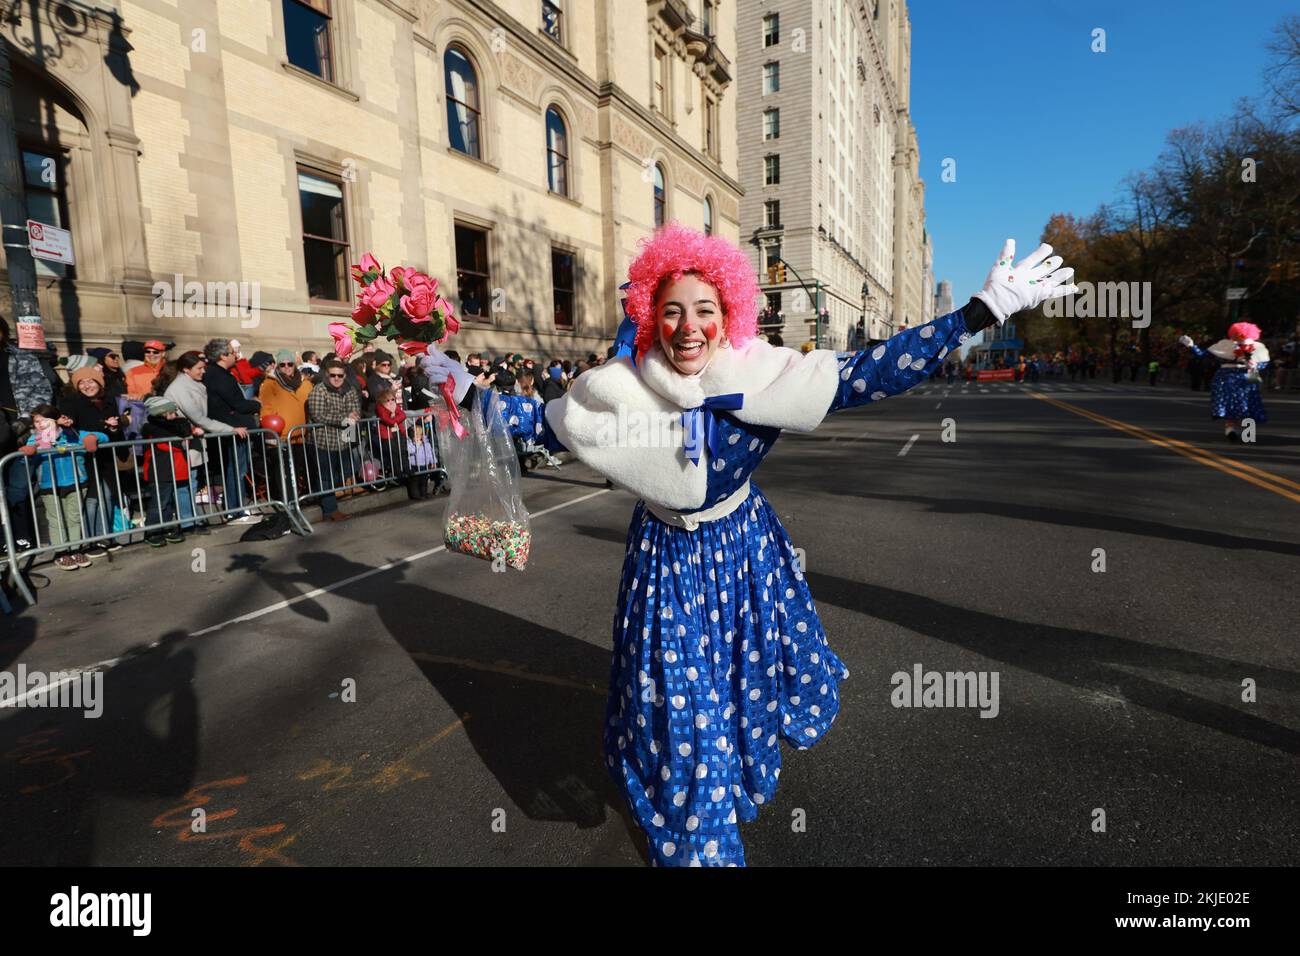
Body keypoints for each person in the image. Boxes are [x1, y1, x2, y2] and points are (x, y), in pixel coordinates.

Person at [420, 225, 1078, 867]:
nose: (688, 327)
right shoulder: (620, 387)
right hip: (664, 567)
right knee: (680, 721)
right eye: (671, 311)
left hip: (744, 554)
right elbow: (543, 424)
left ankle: (731, 782)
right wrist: (469, 390)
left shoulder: (761, 374)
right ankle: (697, 845)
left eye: (704, 309)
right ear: (651, 316)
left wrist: (975, 313)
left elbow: (869, 373)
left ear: (727, 312)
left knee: (741, 687)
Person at [20, 404, 108, 570]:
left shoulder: (72, 434)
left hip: (76, 482)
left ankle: (76, 549)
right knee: (56, 520)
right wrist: (29, 453)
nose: (40, 425)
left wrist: (92, 438)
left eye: (44, 420)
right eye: (36, 422)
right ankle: (61, 552)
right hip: (49, 485)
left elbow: (103, 436)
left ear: (56, 419)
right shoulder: (35, 439)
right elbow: (23, 459)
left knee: (74, 518)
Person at [58, 363, 125, 552]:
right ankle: (91, 540)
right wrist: (66, 422)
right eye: (82, 383)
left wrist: (114, 427)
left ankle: (105, 536)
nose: (87, 386)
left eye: (91, 381)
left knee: (108, 495)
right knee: (92, 498)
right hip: (84, 458)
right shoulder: (71, 401)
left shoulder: (109, 400)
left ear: (99, 382)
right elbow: (67, 424)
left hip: (106, 457)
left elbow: (117, 427)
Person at [1179, 323, 1270, 440]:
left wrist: (1256, 364)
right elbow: (1204, 355)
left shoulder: (1258, 347)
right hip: (1227, 376)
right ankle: (1230, 430)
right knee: (1230, 403)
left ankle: (1248, 433)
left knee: (1249, 403)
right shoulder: (1225, 345)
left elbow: (1264, 362)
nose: (1240, 339)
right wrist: (1191, 346)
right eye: (1238, 336)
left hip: (1248, 376)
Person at [202, 338, 261, 519]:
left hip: (230, 427)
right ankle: (235, 510)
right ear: (222, 356)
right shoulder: (219, 375)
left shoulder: (217, 374)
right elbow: (238, 404)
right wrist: (256, 404)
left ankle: (235, 507)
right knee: (237, 470)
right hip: (233, 428)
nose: (235, 354)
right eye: (231, 351)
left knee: (235, 469)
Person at [140, 395, 203, 545]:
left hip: (174, 468)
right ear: (164, 413)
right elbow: (171, 443)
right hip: (160, 470)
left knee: (168, 502)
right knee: (159, 503)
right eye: (173, 412)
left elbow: (182, 435)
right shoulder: (153, 428)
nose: (176, 415)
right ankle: (152, 531)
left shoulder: (177, 426)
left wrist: (190, 432)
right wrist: (188, 434)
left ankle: (167, 527)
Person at [305, 358, 361, 522]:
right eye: (333, 375)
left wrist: (353, 417)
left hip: (344, 439)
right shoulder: (318, 391)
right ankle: (330, 509)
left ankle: (318, 494)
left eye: (340, 375)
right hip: (323, 441)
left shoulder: (349, 389)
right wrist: (345, 418)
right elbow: (319, 416)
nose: (337, 378)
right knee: (325, 476)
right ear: (326, 375)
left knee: (344, 471)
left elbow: (355, 409)